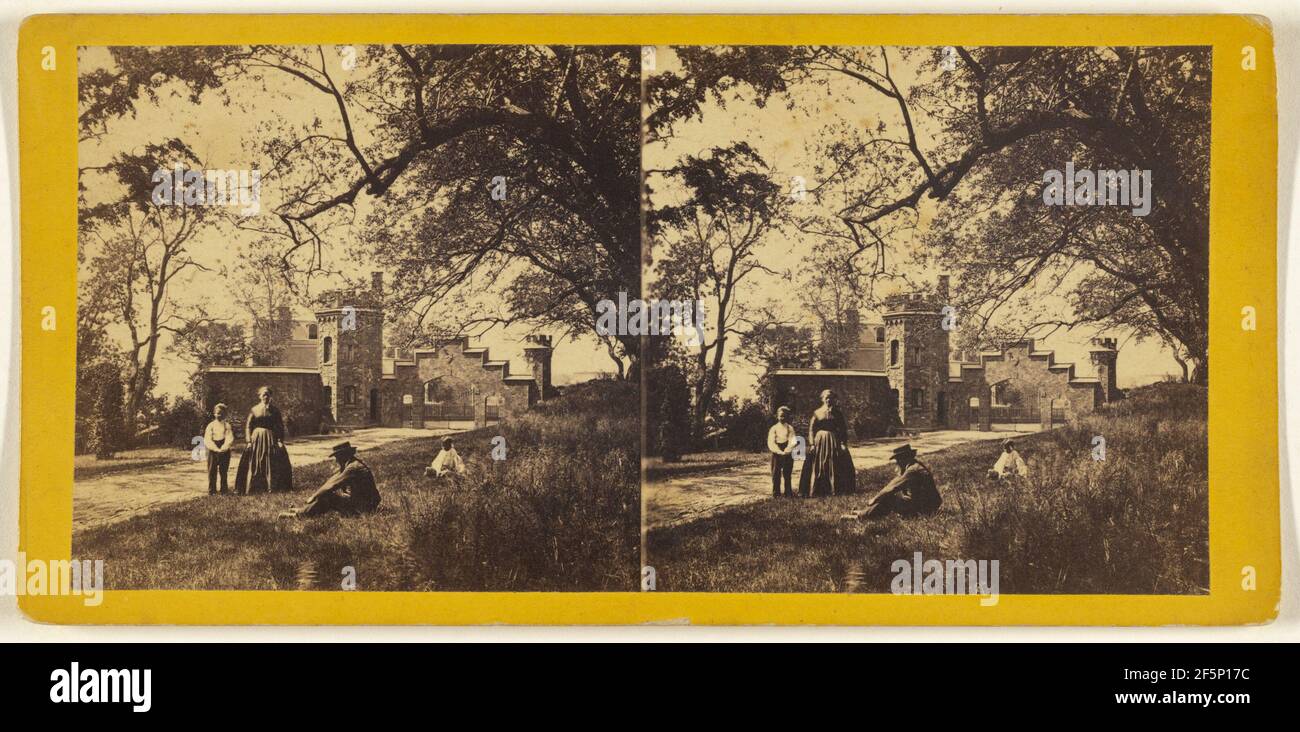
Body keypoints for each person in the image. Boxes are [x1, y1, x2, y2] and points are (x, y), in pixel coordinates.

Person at [279, 441, 380, 518]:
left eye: (337, 457)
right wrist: (315, 495)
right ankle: (303, 511)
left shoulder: (353, 468)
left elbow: (332, 486)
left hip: (364, 509)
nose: (336, 460)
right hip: (362, 504)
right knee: (327, 495)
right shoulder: (350, 464)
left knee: (329, 497)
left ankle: (299, 515)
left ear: (344, 455)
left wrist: (314, 497)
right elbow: (332, 480)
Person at [843, 443, 941, 520]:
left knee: (889, 498)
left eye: (898, 460)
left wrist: (875, 499)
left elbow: (892, 488)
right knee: (889, 498)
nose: (897, 462)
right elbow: (895, 482)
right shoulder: (914, 465)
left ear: (905, 458)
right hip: (927, 505)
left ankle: (860, 517)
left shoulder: (912, 470)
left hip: (925, 509)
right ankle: (864, 512)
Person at [234, 386, 293, 494]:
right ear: (259, 396)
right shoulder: (254, 409)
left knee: (272, 460)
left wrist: (280, 440)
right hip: (256, 439)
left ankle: (272, 486)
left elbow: (279, 426)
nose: (265, 397)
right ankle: (254, 487)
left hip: (270, 438)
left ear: (271, 396)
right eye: (263, 394)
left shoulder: (275, 410)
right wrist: (248, 441)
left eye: (268, 394)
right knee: (255, 461)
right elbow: (248, 426)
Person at [798, 389, 855, 497]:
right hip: (819, 441)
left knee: (836, 462)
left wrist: (843, 443)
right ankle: (817, 489)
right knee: (817, 464)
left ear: (834, 399)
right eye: (826, 397)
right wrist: (812, 444)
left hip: (834, 441)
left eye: (831, 398)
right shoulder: (817, 413)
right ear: (822, 399)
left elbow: (842, 429)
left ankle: (836, 489)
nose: (829, 400)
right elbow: (811, 429)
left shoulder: (837, 413)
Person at [203, 403, 236, 495]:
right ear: (214, 413)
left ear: (225, 414)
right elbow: (207, 439)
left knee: (223, 470)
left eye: (221, 413)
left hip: (223, 448)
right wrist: (215, 449)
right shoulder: (211, 425)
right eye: (217, 413)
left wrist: (223, 448)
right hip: (212, 449)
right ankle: (212, 491)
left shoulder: (227, 425)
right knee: (212, 470)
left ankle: (224, 490)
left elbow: (229, 438)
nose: (219, 415)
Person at [767, 406, 797, 497]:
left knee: (787, 472)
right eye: (780, 416)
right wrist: (778, 451)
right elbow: (771, 442)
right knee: (776, 473)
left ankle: (788, 493)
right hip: (777, 451)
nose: (782, 418)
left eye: (784, 416)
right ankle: (776, 493)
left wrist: (787, 451)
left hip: (787, 450)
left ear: (787, 417)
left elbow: (792, 440)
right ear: (777, 416)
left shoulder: (790, 428)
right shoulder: (774, 428)